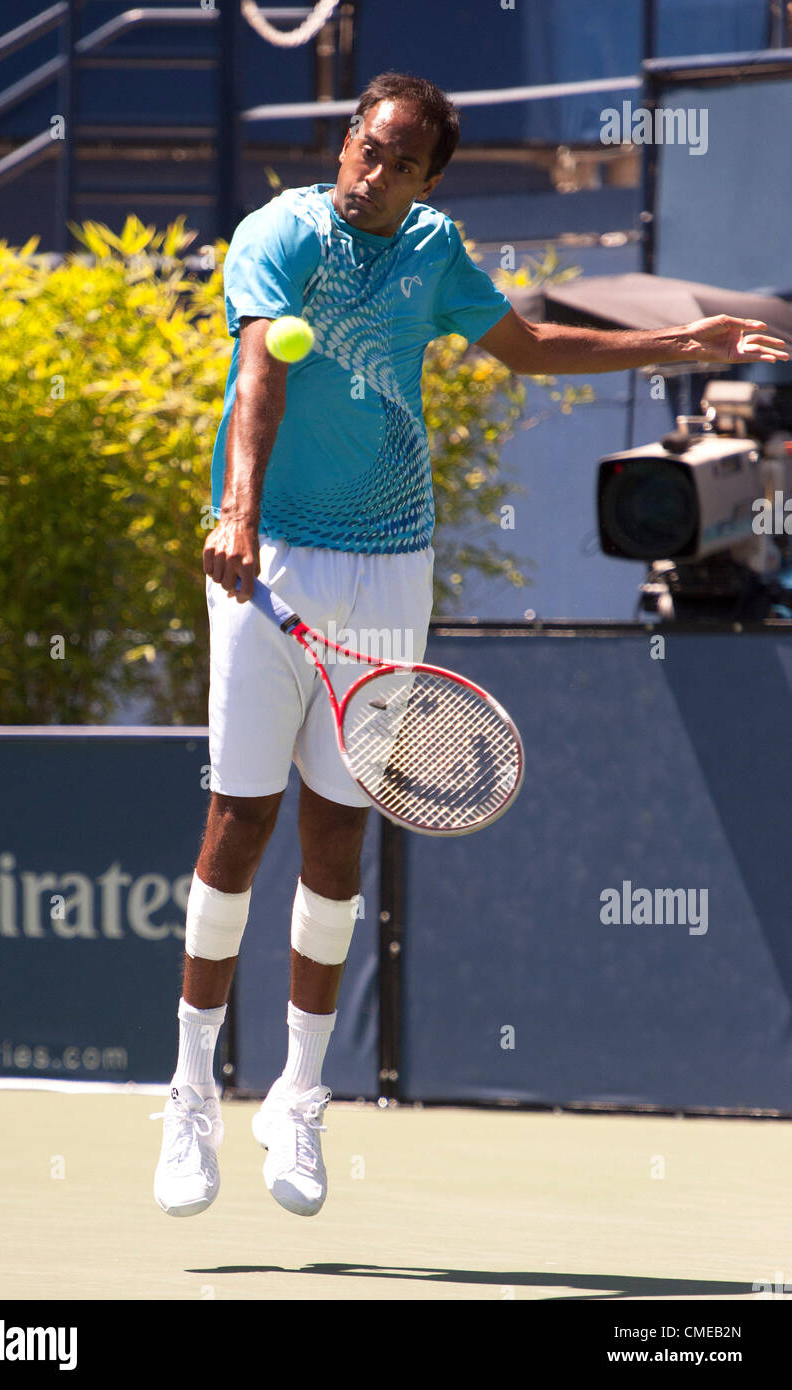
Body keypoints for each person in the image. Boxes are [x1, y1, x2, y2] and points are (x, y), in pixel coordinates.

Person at [153, 70, 789, 1221]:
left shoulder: (434, 247)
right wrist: (238, 513)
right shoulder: (278, 233)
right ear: (344, 141)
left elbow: (530, 346)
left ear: (428, 177)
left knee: (337, 833)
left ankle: (298, 1097)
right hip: (274, 554)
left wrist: (683, 340)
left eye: (397, 159)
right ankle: (191, 1088)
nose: (370, 168)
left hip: (389, 556)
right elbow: (259, 375)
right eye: (361, 144)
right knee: (239, 822)